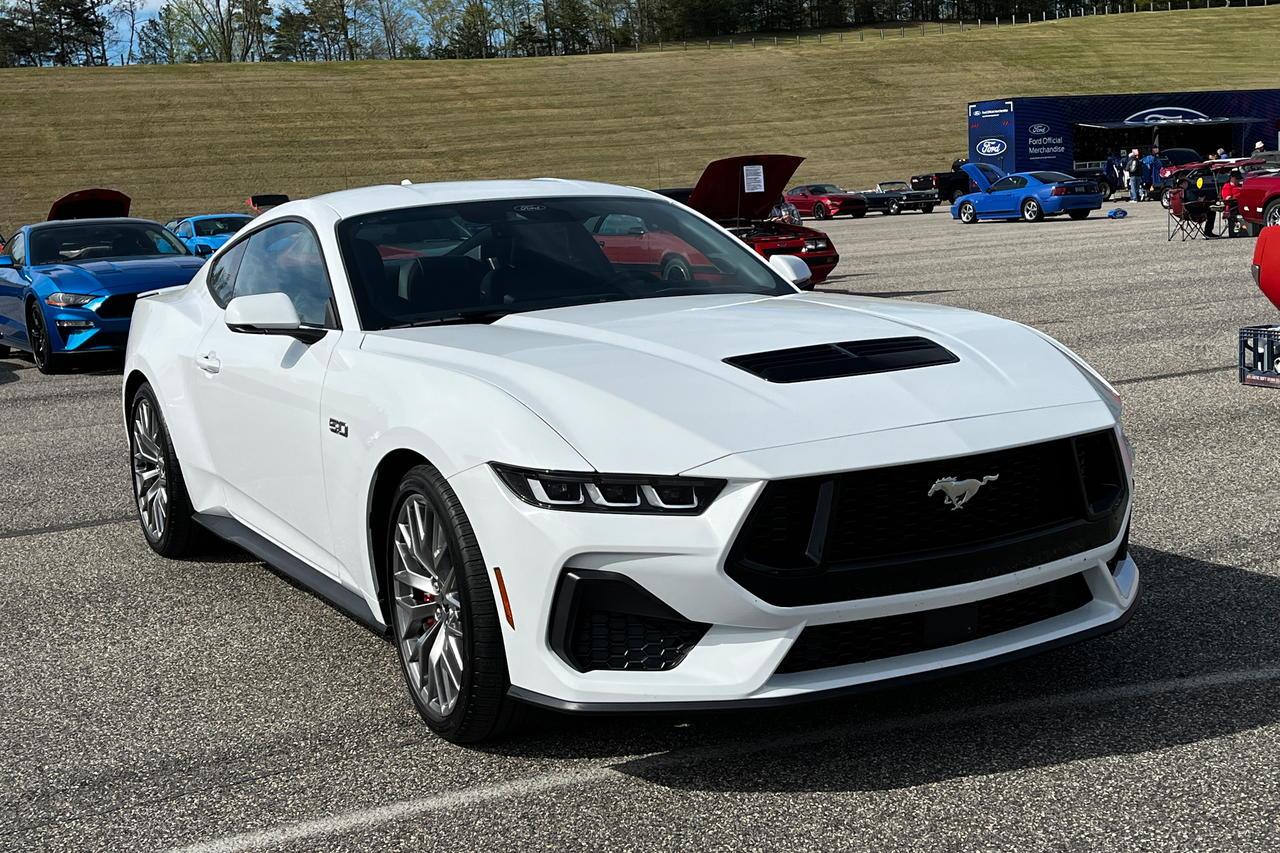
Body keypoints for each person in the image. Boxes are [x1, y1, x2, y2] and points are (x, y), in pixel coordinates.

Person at [1221, 170, 1244, 237]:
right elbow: (1227, 198)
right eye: (1236, 178)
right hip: (1233, 205)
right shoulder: (1227, 186)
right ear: (1231, 178)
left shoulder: (1241, 185)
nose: (1238, 180)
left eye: (1238, 179)